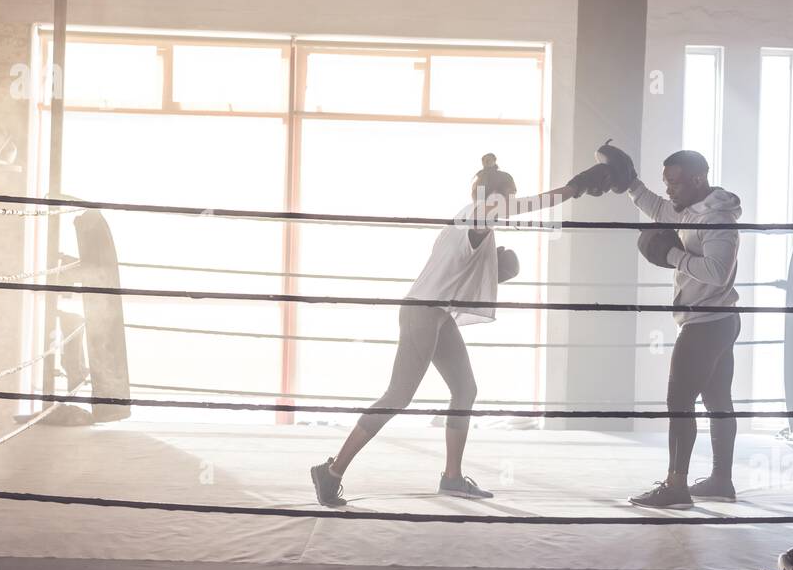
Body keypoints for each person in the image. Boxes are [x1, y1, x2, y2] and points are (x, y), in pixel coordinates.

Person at [310, 153, 604, 507]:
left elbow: (456, 275)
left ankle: (451, 477)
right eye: (508, 198)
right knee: (398, 396)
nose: (510, 206)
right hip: (423, 312)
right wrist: (576, 188)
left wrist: (495, 271)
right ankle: (332, 472)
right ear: (496, 197)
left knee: (465, 389)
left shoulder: (473, 225)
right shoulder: (476, 215)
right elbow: (532, 204)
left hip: (438, 314)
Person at [587, 144, 743, 510]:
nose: (669, 190)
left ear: (698, 178)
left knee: (679, 402)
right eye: (666, 183)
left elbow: (718, 274)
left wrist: (671, 255)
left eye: (674, 183)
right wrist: (632, 185)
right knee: (717, 400)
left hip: (706, 322)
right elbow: (659, 208)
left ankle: (676, 486)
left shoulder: (717, 220)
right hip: (717, 319)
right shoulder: (692, 209)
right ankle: (722, 480)